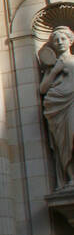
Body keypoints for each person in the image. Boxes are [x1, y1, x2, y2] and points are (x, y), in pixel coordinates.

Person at [40, 25, 74, 186]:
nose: (60, 42)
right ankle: (71, 177)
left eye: (63, 39)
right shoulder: (52, 67)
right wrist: (55, 71)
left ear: (70, 41)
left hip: (72, 102)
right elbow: (42, 89)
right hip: (59, 108)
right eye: (56, 40)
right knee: (65, 143)